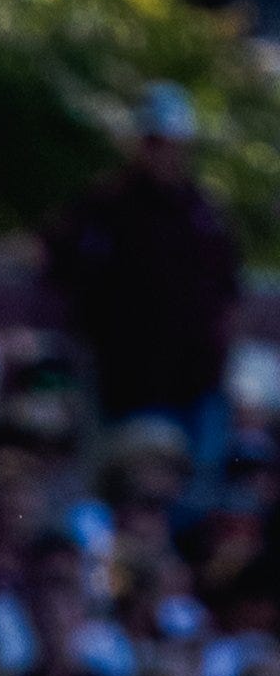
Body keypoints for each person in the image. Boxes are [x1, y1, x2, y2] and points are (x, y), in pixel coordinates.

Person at [43, 86, 242, 439]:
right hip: (129, 382)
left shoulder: (205, 212)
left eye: (173, 143)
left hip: (197, 383)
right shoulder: (106, 206)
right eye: (155, 142)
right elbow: (58, 262)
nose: (165, 154)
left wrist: (224, 367)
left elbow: (228, 292)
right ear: (138, 143)